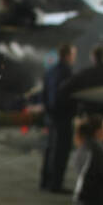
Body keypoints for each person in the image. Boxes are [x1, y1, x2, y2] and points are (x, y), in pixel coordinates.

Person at [40, 43, 76, 192]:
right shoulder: (67, 73)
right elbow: (68, 96)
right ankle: (56, 185)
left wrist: (48, 111)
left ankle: (45, 182)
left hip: (51, 116)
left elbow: (44, 94)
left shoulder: (50, 71)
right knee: (60, 151)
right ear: (68, 55)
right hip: (63, 117)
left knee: (50, 149)